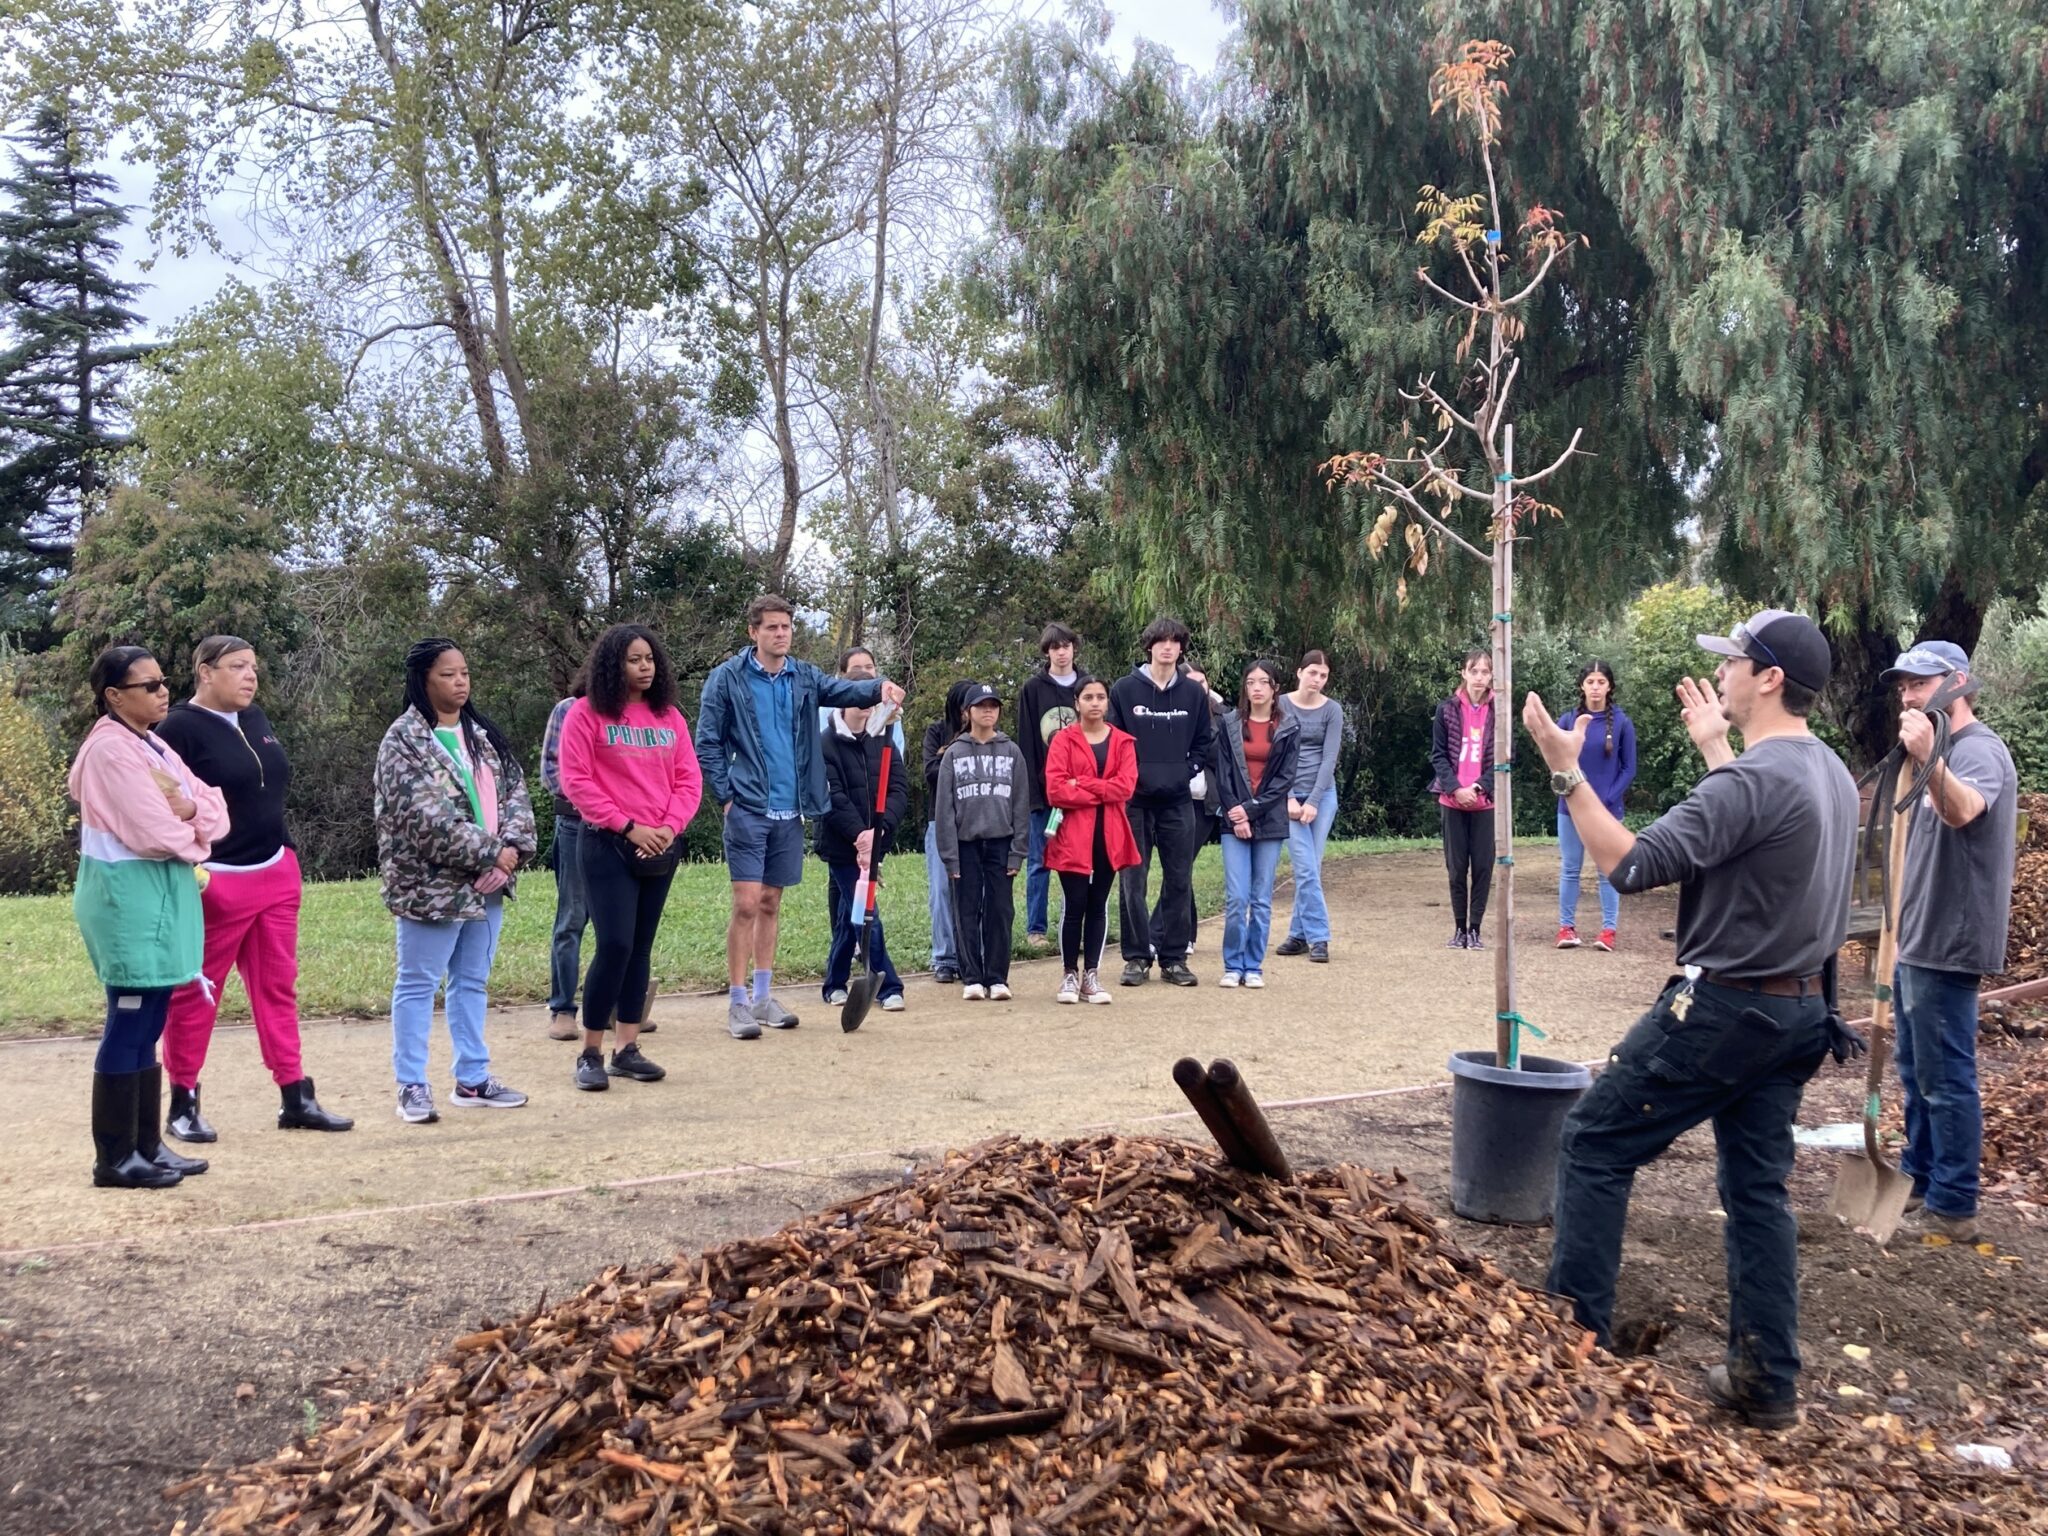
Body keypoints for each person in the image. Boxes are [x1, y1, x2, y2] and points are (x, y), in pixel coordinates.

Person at [1523, 608, 1857, 1429]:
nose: (1721, 673)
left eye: (1735, 661)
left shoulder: (1751, 782)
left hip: (1725, 1010)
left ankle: (1570, 1361)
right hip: (1801, 1012)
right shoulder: (1831, 774)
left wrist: (1567, 771)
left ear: (1769, 678)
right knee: (1757, 1191)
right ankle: (1766, 1383)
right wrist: (1715, 747)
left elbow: (1629, 865)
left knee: (1594, 1142)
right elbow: (1753, 832)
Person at [156, 635, 352, 1141]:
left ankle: (295, 1095)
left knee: (277, 988)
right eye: (238, 666)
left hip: (276, 872)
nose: (250, 676)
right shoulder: (177, 728)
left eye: (254, 668)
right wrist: (193, 866)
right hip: (219, 880)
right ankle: (183, 1103)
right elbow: (161, 805)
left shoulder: (255, 718)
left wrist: (286, 857)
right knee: (198, 992)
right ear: (205, 671)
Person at [696, 595, 904, 1039]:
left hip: (791, 810)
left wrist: (881, 688)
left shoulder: (804, 676)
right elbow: (707, 742)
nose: (780, 634)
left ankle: (763, 997)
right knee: (746, 904)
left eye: (786, 626)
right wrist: (727, 797)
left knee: (770, 903)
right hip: (747, 807)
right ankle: (738, 1002)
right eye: (771, 627)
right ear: (753, 631)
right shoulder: (726, 678)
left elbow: (845, 691)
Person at [69, 645, 230, 1188]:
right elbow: (152, 833)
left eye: (163, 681)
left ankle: (146, 1145)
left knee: (152, 1016)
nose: (164, 692)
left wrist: (192, 813)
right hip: (126, 898)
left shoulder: (152, 742)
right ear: (114, 696)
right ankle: (115, 1157)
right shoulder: (108, 751)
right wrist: (197, 833)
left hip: (160, 893)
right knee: (131, 1018)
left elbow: (213, 804)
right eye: (150, 685)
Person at [1883, 640, 2017, 1244]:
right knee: (1917, 1069)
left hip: (1951, 937)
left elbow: (1963, 811)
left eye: (1921, 683)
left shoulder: (1979, 749)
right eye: (1904, 686)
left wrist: (1929, 758)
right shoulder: (1938, 751)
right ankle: (1918, 1178)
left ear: (1957, 683)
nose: (1909, 696)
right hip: (1918, 935)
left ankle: (1954, 1204)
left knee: (1945, 1075)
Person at [375, 638, 537, 1122]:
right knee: (418, 983)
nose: (460, 681)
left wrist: (509, 855)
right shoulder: (403, 741)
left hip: (489, 884)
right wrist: (491, 853)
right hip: (431, 886)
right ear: (422, 680)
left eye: (464, 672)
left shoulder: (481, 736)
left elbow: (515, 795)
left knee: (471, 982)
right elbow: (425, 817)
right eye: (448, 674)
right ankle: (412, 1084)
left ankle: (472, 1078)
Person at [558, 624, 702, 1091]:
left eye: (650, 659)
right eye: (634, 659)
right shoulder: (585, 714)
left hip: (660, 846)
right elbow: (577, 781)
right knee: (615, 945)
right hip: (607, 844)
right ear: (612, 664)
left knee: (640, 948)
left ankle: (626, 1048)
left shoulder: (669, 717)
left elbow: (688, 780)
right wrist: (628, 826)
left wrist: (668, 828)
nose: (645, 667)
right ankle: (590, 1052)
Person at [1108, 618, 1212, 987]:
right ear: (1149, 646)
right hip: (1134, 802)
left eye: (1174, 641)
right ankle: (1137, 958)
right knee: (1132, 881)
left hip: (1178, 802)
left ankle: (1173, 959)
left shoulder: (1193, 693)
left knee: (1179, 880)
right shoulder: (1124, 690)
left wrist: (1185, 772)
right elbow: (1113, 740)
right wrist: (1134, 776)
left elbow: (1203, 742)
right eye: (1161, 641)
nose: (1167, 647)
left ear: (1181, 648)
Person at [1043, 676, 1138, 1004]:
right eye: (1088, 697)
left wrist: (1081, 783)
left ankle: (1091, 975)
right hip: (1072, 834)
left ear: (1107, 702)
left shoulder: (1123, 742)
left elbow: (1125, 787)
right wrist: (1102, 789)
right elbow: (1056, 790)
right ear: (1077, 703)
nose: (1094, 703)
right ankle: (1069, 973)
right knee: (1075, 904)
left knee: (1098, 904)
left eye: (1100, 697)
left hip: (1110, 834)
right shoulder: (1063, 740)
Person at [935, 683, 1031, 1001]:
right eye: (981, 706)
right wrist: (950, 856)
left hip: (1001, 842)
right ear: (968, 712)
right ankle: (973, 977)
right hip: (966, 844)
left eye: (993, 705)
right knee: (966, 909)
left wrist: (1018, 851)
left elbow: (1020, 804)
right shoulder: (954, 753)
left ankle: (997, 977)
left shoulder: (1011, 751)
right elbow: (944, 809)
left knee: (1000, 910)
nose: (988, 711)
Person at [818, 691, 909, 1011]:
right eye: (861, 702)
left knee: (849, 915)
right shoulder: (825, 743)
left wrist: (878, 832)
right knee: (866, 913)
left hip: (875, 839)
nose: (868, 708)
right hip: (842, 846)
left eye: (871, 703)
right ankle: (888, 985)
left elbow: (898, 788)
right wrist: (860, 838)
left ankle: (834, 982)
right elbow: (832, 797)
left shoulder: (883, 739)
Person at [1217, 661, 1300, 989]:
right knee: (1237, 898)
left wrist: (1250, 811)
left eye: (1263, 682)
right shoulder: (1229, 723)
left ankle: (1253, 966)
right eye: (1251, 682)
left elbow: (1284, 780)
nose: (1256, 688)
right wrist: (1235, 812)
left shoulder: (1289, 726)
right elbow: (1222, 773)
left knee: (1261, 899)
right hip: (1234, 819)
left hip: (1269, 819)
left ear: (1275, 687)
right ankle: (1232, 964)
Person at [1554, 660, 1637, 952]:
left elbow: (1629, 768)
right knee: (1570, 868)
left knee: (1607, 871)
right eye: (1590, 681)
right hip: (1570, 810)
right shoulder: (1568, 720)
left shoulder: (1623, 722)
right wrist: (1573, 794)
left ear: (1610, 686)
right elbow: (1556, 760)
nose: (1596, 687)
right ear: (1582, 685)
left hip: (1608, 811)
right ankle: (1566, 928)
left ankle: (1608, 931)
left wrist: (1606, 799)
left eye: (1601, 682)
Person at [1017, 623, 1085, 950]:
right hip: (1044, 794)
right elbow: (1027, 744)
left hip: (1081, 792)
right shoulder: (1033, 689)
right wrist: (1032, 793)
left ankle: (1077, 926)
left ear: (1074, 648)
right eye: (1054, 647)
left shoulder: (1087, 685)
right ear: (1047, 652)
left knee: (1080, 862)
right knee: (1039, 862)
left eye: (1066, 646)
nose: (1061, 652)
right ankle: (1036, 929)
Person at [1275, 650, 1344, 963]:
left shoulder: (1332, 710)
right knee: (1305, 866)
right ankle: (1319, 937)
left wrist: (1313, 801)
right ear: (1299, 672)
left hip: (1322, 796)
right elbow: (1275, 755)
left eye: (1323, 675)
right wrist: (1288, 797)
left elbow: (1330, 758)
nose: (1317, 679)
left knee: (1310, 867)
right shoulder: (1281, 705)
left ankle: (1298, 935)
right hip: (1286, 795)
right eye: (1313, 672)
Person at [539, 669, 593, 1042]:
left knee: (618, 923)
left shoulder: (632, 714)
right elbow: (550, 772)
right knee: (572, 917)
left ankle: (615, 1007)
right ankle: (562, 1008)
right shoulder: (568, 709)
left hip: (624, 829)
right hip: (576, 823)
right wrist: (595, 798)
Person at [1431, 649, 1496, 950]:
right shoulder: (1446, 709)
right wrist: (1456, 788)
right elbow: (1438, 755)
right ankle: (1459, 928)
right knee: (1457, 868)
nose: (1479, 677)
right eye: (1474, 671)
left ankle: (1475, 929)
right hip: (1452, 800)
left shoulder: (1499, 711)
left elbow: (1505, 757)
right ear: (1464, 673)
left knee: (1483, 867)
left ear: (1491, 675)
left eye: (1485, 672)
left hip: (1486, 802)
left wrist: (1480, 787)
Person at [922, 680, 974, 985]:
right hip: (939, 820)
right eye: (966, 707)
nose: (971, 713)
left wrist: (946, 755)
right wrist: (954, 750)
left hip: (976, 820)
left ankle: (972, 956)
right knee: (941, 890)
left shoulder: (987, 736)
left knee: (974, 891)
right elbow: (930, 773)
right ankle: (944, 957)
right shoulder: (936, 732)